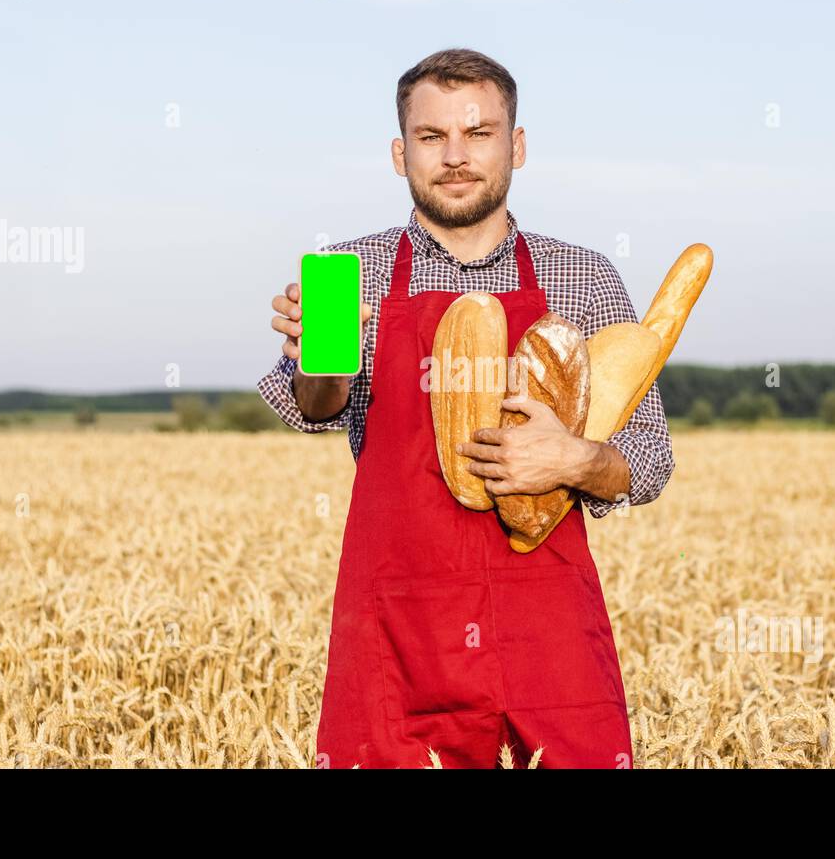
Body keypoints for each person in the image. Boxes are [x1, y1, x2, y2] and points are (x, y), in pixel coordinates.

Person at [259, 48, 674, 768]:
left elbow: (649, 462)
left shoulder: (584, 277)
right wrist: (319, 359)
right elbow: (317, 406)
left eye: (478, 133)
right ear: (400, 152)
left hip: (546, 628)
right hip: (398, 629)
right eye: (431, 137)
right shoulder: (344, 271)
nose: (455, 156)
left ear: (515, 146)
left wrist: (574, 460)